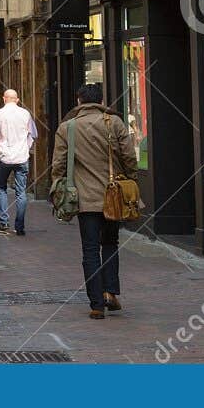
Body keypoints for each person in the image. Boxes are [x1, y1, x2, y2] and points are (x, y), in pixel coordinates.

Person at [50, 83, 136, 319]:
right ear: (100, 100)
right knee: (110, 243)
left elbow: (58, 164)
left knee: (89, 249)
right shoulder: (114, 122)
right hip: (114, 196)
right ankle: (111, 293)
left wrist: (57, 185)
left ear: (79, 102)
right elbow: (129, 156)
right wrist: (130, 177)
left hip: (84, 199)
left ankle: (96, 304)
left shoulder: (67, 127)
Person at [0, 88, 38, 236]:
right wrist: (26, 147)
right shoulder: (25, 114)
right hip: (22, 157)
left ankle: (4, 222)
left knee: (1, 188)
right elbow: (34, 134)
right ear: (17, 100)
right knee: (21, 191)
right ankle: (20, 226)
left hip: (5, 157)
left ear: (4, 99)